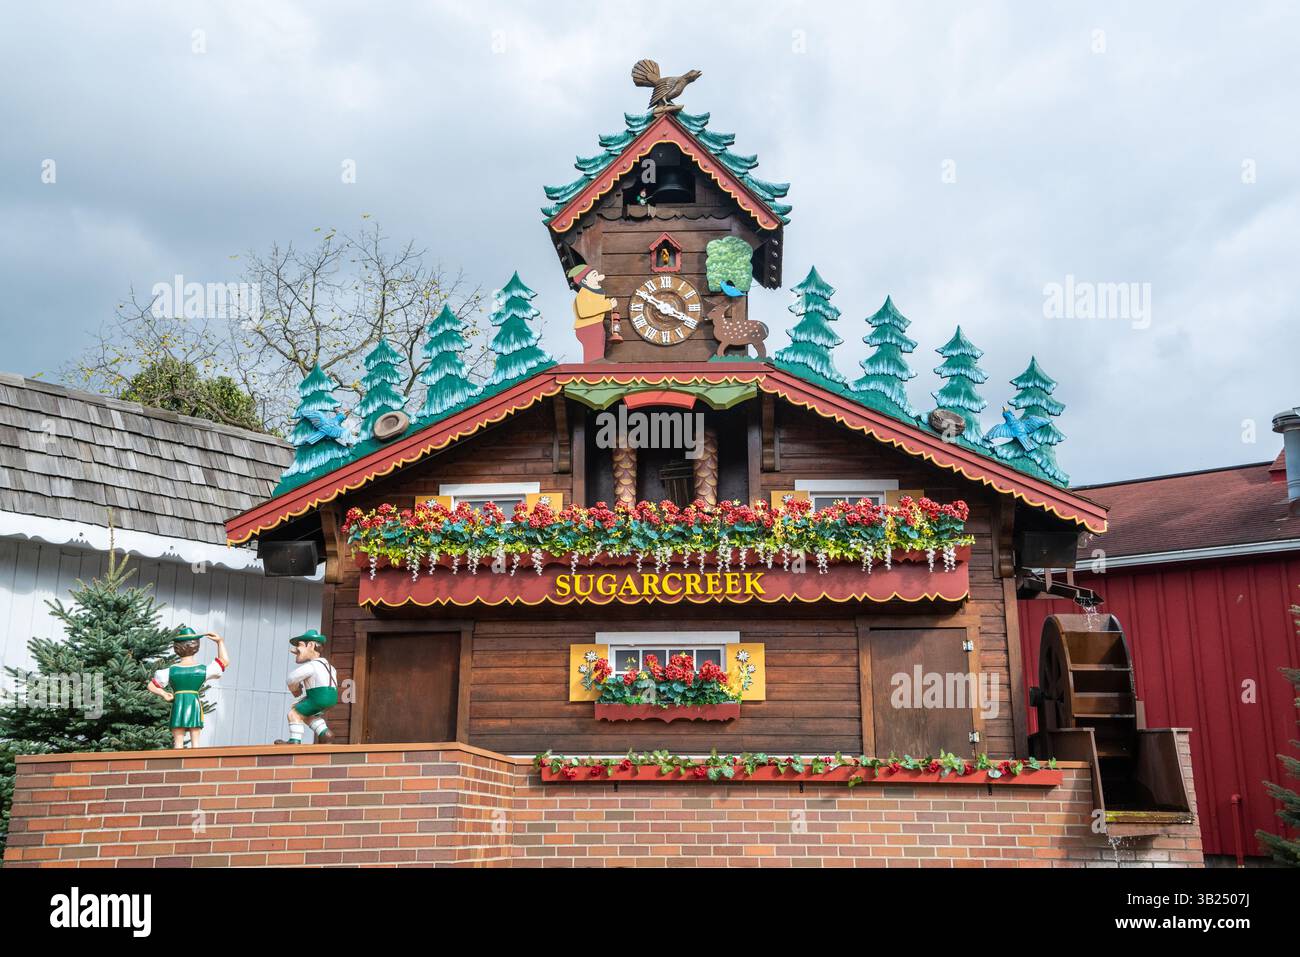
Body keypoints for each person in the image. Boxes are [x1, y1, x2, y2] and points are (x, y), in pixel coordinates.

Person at [146, 625, 230, 749]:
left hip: (178, 703)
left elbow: (150, 685)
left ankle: (177, 758)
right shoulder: (202, 670)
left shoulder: (171, 671)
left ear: (177, 649)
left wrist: (164, 694)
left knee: (178, 741)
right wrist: (220, 642)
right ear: (196, 647)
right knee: (195, 738)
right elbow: (224, 661)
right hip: (193, 702)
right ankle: (195, 756)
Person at [276, 629, 339, 745]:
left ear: (310, 645)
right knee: (306, 714)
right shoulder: (329, 667)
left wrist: (295, 689)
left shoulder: (312, 666)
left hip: (319, 697)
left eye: (299, 645)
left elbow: (291, 678)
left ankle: (295, 740)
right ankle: (326, 734)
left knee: (294, 714)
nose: (295, 649)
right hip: (331, 697)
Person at [568, 264, 618, 361]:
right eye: (593, 275)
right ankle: (593, 362)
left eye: (596, 274)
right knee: (593, 345)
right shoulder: (584, 293)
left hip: (595, 325)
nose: (596, 276)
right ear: (584, 281)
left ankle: (598, 360)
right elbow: (584, 311)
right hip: (586, 327)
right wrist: (608, 304)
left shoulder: (595, 291)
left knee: (599, 341)